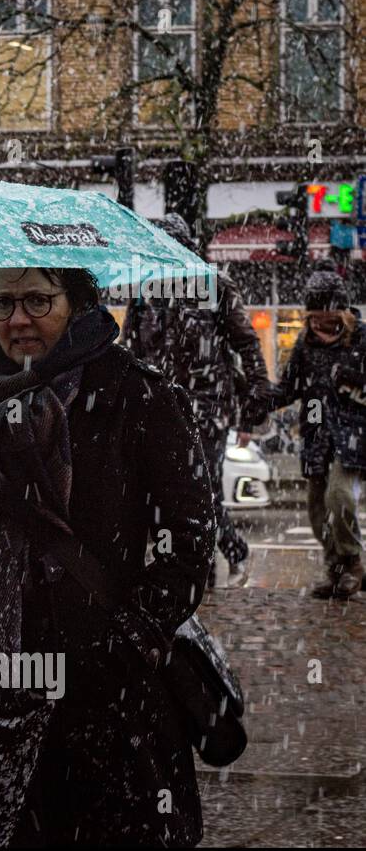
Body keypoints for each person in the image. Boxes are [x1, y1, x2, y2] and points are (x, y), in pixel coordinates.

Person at [0, 266, 215, 847]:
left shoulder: (138, 397)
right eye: (3, 304)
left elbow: (190, 540)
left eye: (38, 300)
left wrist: (128, 638)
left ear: (77, 302)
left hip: (110, 702)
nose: (18, 319)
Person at [123, 213, 270, 588]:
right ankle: (184, 569)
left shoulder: (214, 286)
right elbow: (129, 349)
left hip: (207, 407)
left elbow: (247, 344)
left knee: (201, 488)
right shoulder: (144, 290)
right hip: (158, 407)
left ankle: (222, 557)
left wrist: (255, 406)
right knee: (161, 491)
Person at [260, 270, 366, 598]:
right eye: (317, 319)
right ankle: (335, 568)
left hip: (354, 434)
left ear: (344, 315)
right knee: (316, 507)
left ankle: (352, 562)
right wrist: (260, 400)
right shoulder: (304, 345)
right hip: (317, 433)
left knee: (339, 496)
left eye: (330, 319)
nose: (322, 327)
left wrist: (352, 378)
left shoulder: (361, 339)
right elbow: (289, 388)